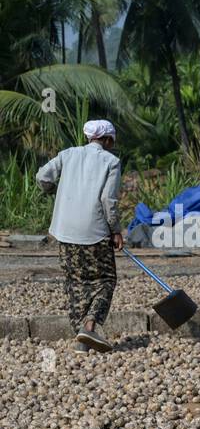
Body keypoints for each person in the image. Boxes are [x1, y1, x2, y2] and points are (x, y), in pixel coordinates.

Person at [36, 119, 124, 354]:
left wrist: (55, 191)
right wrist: (116, 230)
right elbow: (108, 200)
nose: (113, 145)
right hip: (94, 232)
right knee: (105, 280)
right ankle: (90, 326)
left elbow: (42, 177)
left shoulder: (67, 154)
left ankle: (82, 341)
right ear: (106, 140)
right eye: (112, 141)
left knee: (76, 283)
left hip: (65, 231)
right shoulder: (111, 161)